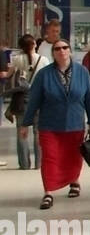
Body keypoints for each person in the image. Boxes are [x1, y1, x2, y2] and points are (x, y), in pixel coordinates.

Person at [20, 35, 90, 210]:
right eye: (57, 49)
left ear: (70, 51)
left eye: (64, 48)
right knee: (50, 157)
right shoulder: (44, 75)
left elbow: (89, 97)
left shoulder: (82, 72)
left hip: (75, 123)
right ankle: (48, 192)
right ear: (53, 53)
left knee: (73, 156)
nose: (61, 51)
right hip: (50, 124)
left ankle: (74, 181)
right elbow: (34, 101)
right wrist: (26, 123)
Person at [5, 35, 45, 169]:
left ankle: (24, 164)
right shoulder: (43, 60)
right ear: (34, 44)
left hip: (21, 99)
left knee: (22, 131)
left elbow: (8, 75)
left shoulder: (16, 59)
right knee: (38, 131)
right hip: (39, 98)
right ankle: (39, 163)